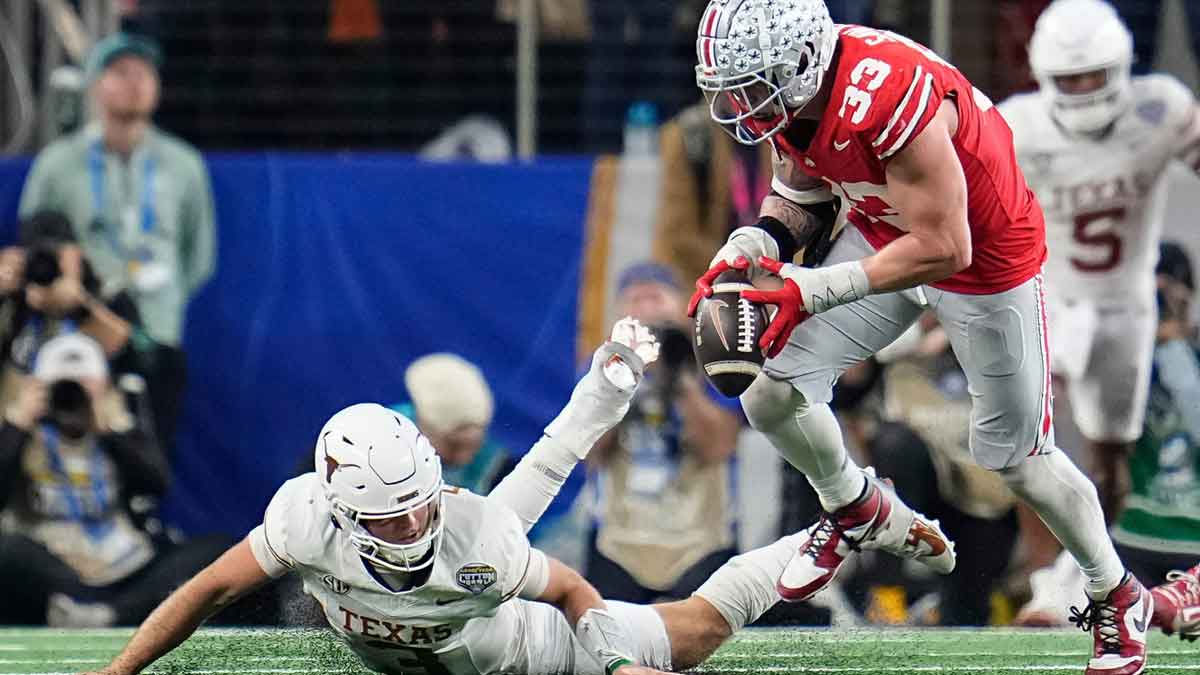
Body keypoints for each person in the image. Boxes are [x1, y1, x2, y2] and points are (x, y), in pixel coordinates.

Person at [690, 1, 1147, 672]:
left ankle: (1117, 591)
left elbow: (946, 246)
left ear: (802, 63)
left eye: (754, 83)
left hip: (983, 263)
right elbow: (803, 192)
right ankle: (855, 506)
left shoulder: (883, 94)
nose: (740, 102)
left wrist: (808, 288)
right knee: (771, 391)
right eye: (734, 84)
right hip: (886, 233)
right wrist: (753, 243)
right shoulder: (803, 94)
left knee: (1018, 458)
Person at [79, 319, 819, 675]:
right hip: (454, 606)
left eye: (418, 501)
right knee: (508, 508)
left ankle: (834, 531)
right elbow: (207, 588)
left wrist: (618, 665)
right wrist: (119, 672)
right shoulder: (306, 520)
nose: (411, 523)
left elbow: (569, 589)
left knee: (691, 635)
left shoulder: (471, 534)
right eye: (389, 515)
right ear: (341, 515)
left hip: (509, 644)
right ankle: (601, 394)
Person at [999, 0, 1200, 526]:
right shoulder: (1018, 125)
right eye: (1072, 79)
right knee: (1032, 441)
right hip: (1049, 294)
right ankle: (1047, 568)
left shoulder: (1160, 109)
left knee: (1110, 460)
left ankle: (1096, 558)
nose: (1085, 88)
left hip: (1126, 305)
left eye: (1095, 75)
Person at [18, 33, 217, 449]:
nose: (135, 82)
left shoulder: (184, 165)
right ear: (95, 85)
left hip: (157, 335)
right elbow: (35, 240)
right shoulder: (58, 164)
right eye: (121, 72)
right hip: (82, 334)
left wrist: (161, 304)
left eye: (145, 73)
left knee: (151, 454)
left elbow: (198, 257)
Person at [1016, 242, 1200, 642]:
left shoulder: (1194, 355)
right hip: (1133, 534)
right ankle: (1049, 592)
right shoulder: (1118, 357)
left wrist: (1175, 348)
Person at [0, 333, 226, 627]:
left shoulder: (116, 427)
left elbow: (156, 486)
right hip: (54, 570)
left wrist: (111, 429)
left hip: (125, 569)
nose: (73, 395)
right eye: (63, 386)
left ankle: (110, 614)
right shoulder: (23, 433)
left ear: (105, 385)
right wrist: (18, 424)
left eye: (83, 385)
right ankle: (110, 612)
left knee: (218, 550)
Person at [586, 263, 741, 602]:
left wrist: (680, 378)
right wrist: (623, 380)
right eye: (636, 300)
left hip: (701, 541)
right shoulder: (600, 369)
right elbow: (590, 452)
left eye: (656, 298)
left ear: (683, 308)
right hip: (619, 543)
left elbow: (718, 448)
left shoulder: (716, 363)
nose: (647, 310)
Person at [391, 353, 508, 495]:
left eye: (474, 446)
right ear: (422, 426)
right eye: (454, 446)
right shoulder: (389, 436)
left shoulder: (490, 453)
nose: (464, 458)